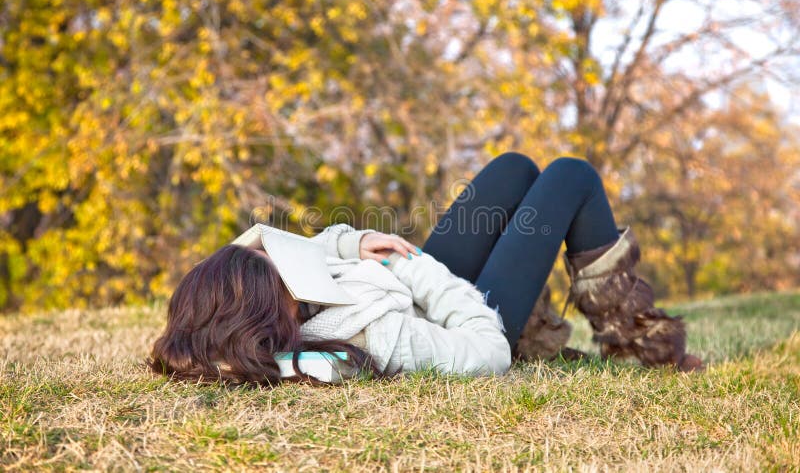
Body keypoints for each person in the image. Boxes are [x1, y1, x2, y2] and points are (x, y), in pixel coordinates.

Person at [149, 152, 704, 385]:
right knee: (572, 177)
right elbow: (485, 354)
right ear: (275, 304)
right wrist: (412, 266)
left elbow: (318, 250)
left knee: (513, 169)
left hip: (408, 282)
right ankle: (643, 347)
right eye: (279, 265)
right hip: (464, 318)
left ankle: (629, 338)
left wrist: (361, 241)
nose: (293, 256)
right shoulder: (376, 338)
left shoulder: (257, 300)